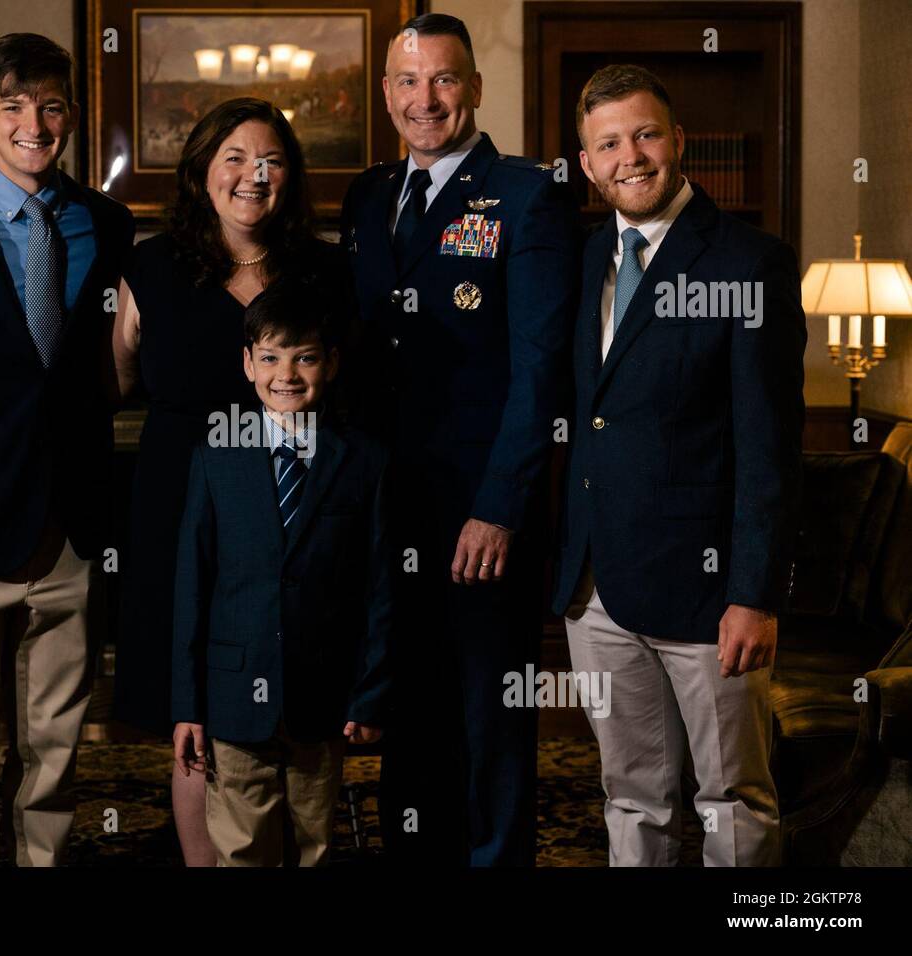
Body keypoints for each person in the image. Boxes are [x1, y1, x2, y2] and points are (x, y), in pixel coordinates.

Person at [340, 13, 580, 866]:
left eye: (444, 80)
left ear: (475, 89)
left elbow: (540, 369)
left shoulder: (528, 195)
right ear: (386, 92)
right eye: (407, 81)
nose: (425, 99)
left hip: (481, 511)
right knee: (406, 703)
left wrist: (500, 507)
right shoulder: (367, 198)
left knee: (488, 713)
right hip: (388, 508)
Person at [554, 64, 805, 866]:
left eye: (646, 134)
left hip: (709, 597)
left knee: (733, 800)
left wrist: (753, 594)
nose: (631, 155)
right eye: (609, 143)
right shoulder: (580, 258)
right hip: (596, 588)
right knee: (630, 793)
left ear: (679, 142)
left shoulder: (748, 262)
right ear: (587, 164)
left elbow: (769, 446)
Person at [0, 33, 134, 866]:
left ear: (71, 116)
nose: (32, 124)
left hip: (73, 524)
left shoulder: (108, 225)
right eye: (12, 106)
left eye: (49, 105)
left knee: (57, 738)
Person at [112, 97, 347, 865]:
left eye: (272, 160)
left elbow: (355, 399)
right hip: (177, 506)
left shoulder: (324, 270)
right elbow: (110, 378)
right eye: (236, 159)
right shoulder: (151, 266)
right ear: (202, 173)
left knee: (287, 698)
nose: (256, 175)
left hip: (292, 518)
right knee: (194, 710)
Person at [170, 284, 392, 866]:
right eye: (269, 357)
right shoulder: (216, 455)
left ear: (332, 362)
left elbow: (380, 590)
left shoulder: (364, 460)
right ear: (247, 364)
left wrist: (369, 695)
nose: (286, 374)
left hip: (322, 699)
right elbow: (192, 584)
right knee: (243, 846)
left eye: (305, 357)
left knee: (316, 844)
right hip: (232, 697)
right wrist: (187, 704)